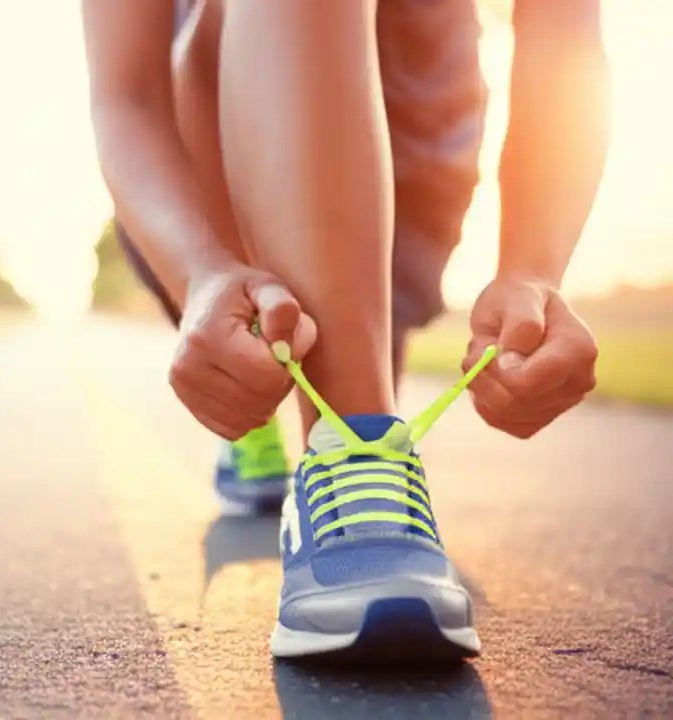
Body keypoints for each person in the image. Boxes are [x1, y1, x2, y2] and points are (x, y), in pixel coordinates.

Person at [82, 0, 607, 661]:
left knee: (339, 348)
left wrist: (534, 270)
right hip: (201, 182)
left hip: (416, 169)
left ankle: (328, 414)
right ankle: (345, 443)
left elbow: (565, 38)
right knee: (333, 392)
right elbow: (124, 97)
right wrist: (199, 276)